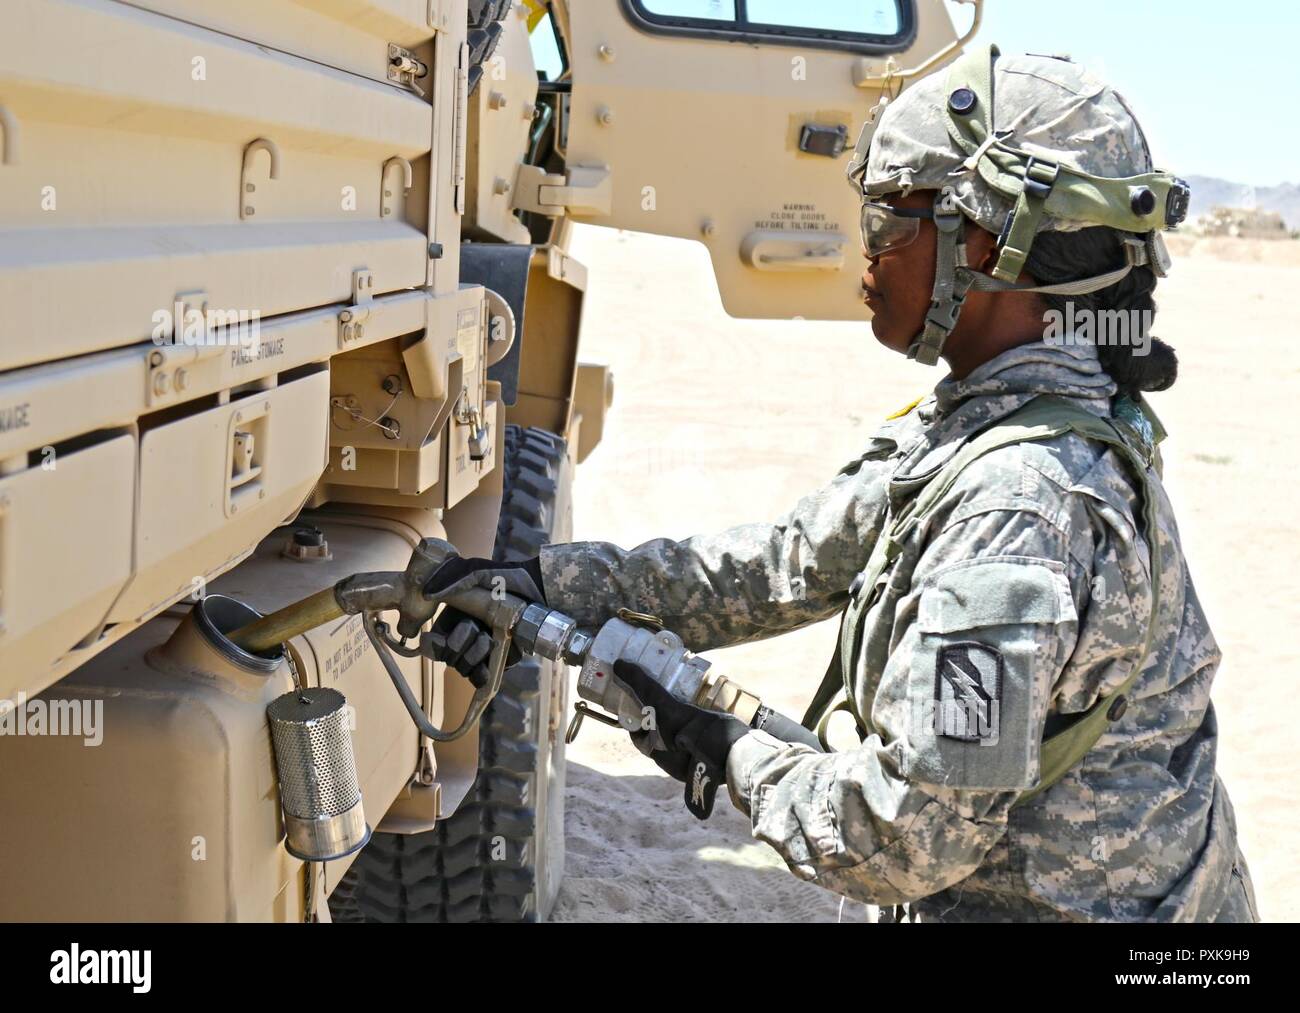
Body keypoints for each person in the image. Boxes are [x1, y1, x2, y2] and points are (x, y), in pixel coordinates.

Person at [427, 46, 1257, 922]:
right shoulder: (1000, 423)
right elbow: (790, 561)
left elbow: (898, 841)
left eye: (887, 224)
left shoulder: (1017, 505)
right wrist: (546, 586)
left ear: (986, 243)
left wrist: (719, 747)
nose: (864, 259)